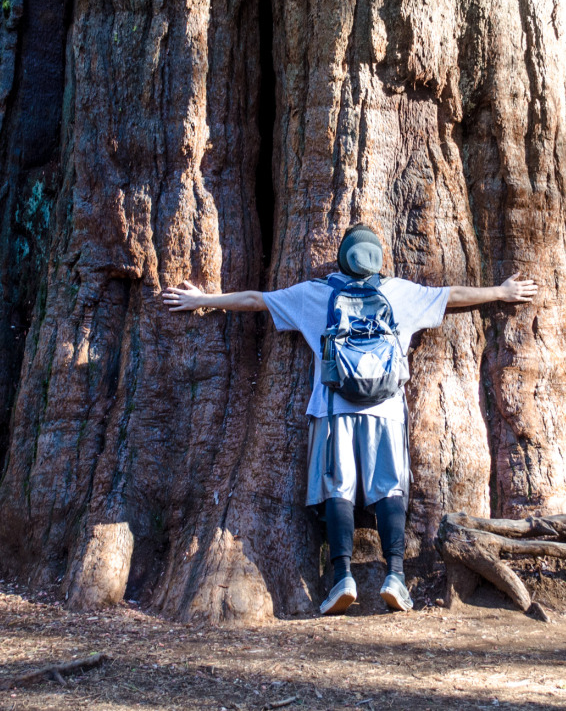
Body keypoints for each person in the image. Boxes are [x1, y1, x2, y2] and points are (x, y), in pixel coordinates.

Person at [162, 224, 537, 615]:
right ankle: (395, 577)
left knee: (337, 489)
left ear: (342, 257)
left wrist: (204, 298)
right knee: (390, 488)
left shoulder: (318, 294)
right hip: (387, 411)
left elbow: (257, 299)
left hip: (333, 409)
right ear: (378, 260)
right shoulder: (398, 293)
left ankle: (342, 579)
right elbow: (453, 295)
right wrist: (501, 292)